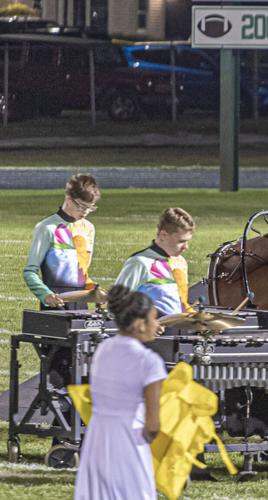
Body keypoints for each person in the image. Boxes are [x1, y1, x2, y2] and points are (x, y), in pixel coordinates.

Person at [74, 285, 167, 500]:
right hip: (129, 438)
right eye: (153, 319)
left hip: (97, 435)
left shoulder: (103, 349)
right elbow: (152, 425)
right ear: (138, 324)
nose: (157, 325)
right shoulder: (149, 361)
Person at [23, 173, 101, 309]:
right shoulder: (47, 228)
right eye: (82, 206)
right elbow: (30, 271)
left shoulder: (88, 228)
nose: (85, 212)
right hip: (55, 303)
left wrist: (94, 290)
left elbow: (82, 273)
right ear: (69, 199)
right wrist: (45, 295)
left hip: (81, 304)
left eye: (90, 208)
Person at [115, 207, 195, 316]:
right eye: (181, 241)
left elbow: (181, 304)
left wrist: (200, 321)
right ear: (163, 235)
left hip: (176, 329)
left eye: (187, 241)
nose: (186, 247)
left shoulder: (180, 262)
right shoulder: (139, 262)